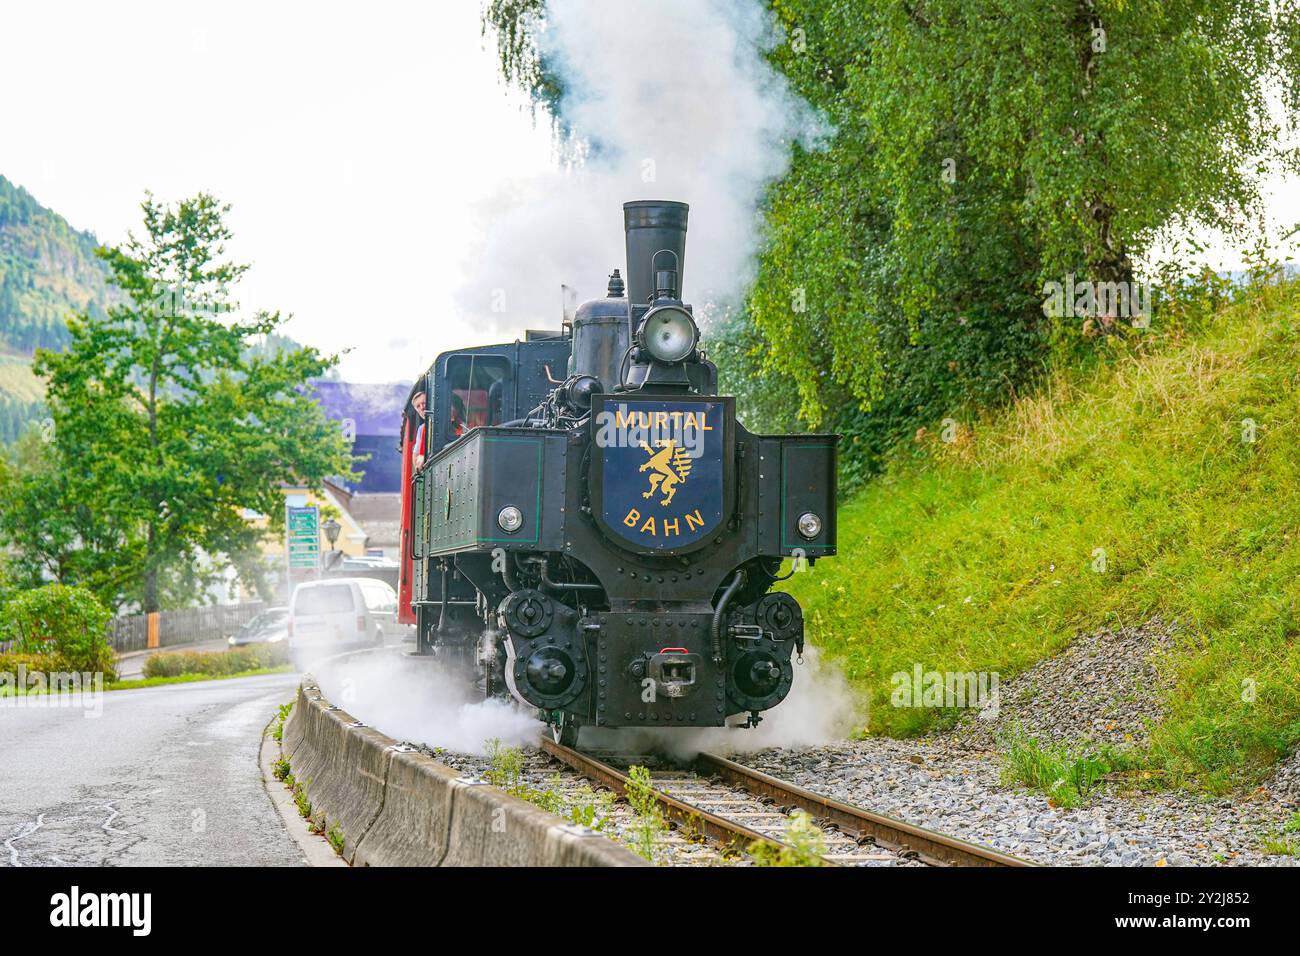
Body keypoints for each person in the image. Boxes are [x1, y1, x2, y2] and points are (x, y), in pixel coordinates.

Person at [409, 389, 427, 471]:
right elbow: (415, 456)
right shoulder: (421, 429)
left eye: (424, 403)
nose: (422, 407)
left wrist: (425, 456)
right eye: (418, 406)